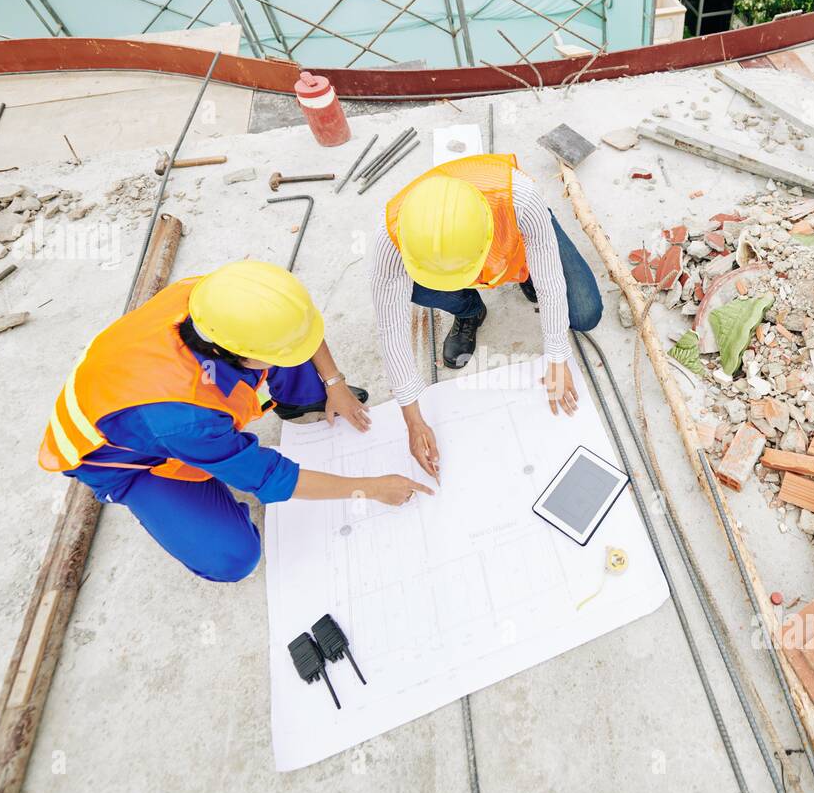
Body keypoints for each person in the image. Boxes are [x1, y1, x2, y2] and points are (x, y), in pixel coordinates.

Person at [38, 259, 431, 582]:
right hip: (127, 461)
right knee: (232, 557)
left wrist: (334, 384)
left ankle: (293, 400)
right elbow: (273, 479)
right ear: (231, 354)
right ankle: (185, 491)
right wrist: (374, 488)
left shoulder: (221, 299)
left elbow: (301, 330)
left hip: (151, 394)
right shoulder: (188, 418)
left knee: (290, 357)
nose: (295, 351)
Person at [369, 153, 604, 479]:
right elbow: (391, 327)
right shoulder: (392, 235)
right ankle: (469, 310)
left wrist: (557, 355)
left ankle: (523, 273)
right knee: (411, 289)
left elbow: (550, 281)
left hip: (518, 244)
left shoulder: (520, 198)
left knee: (584, 312)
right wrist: (412, 417)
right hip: (478, 257)